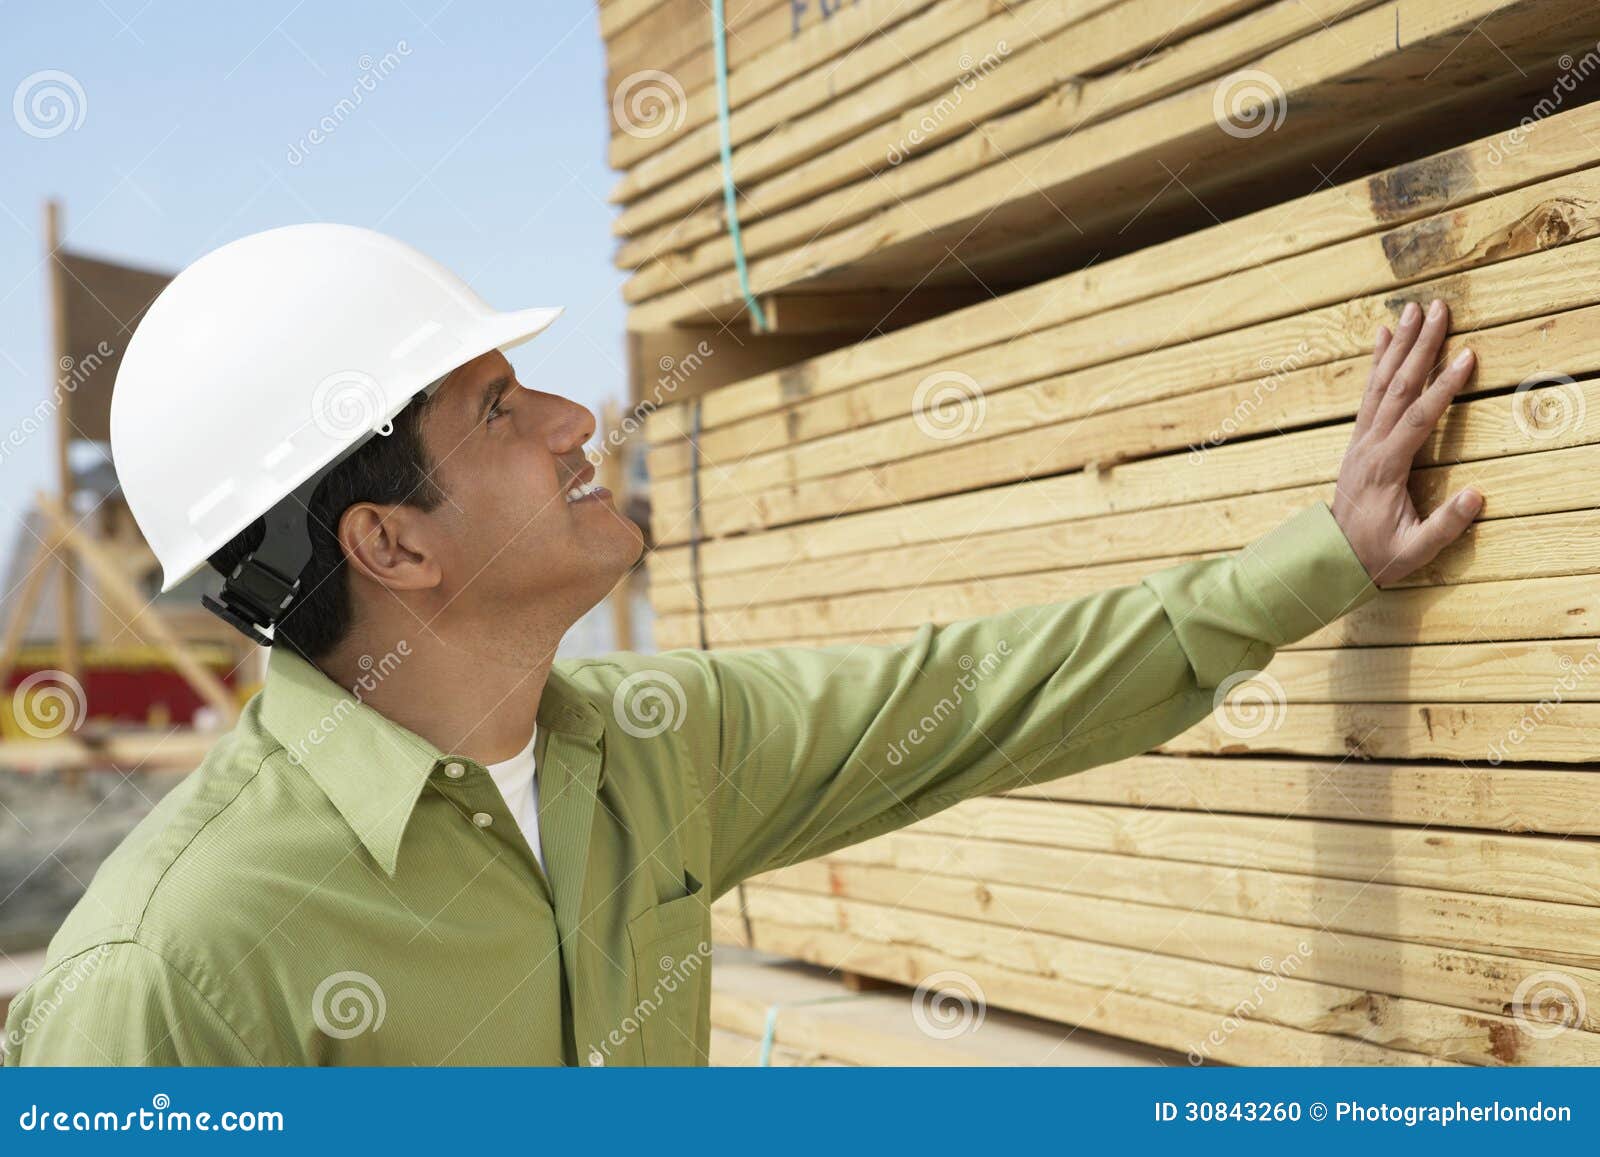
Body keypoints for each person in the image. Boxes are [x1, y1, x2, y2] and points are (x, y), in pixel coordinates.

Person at [3, 224, 1481, 1065]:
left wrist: (1322, 560)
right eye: (501, 408)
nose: (578, 422)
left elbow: (973, 698)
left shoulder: (653, 749)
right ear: (389, 545)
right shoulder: (169, 975)